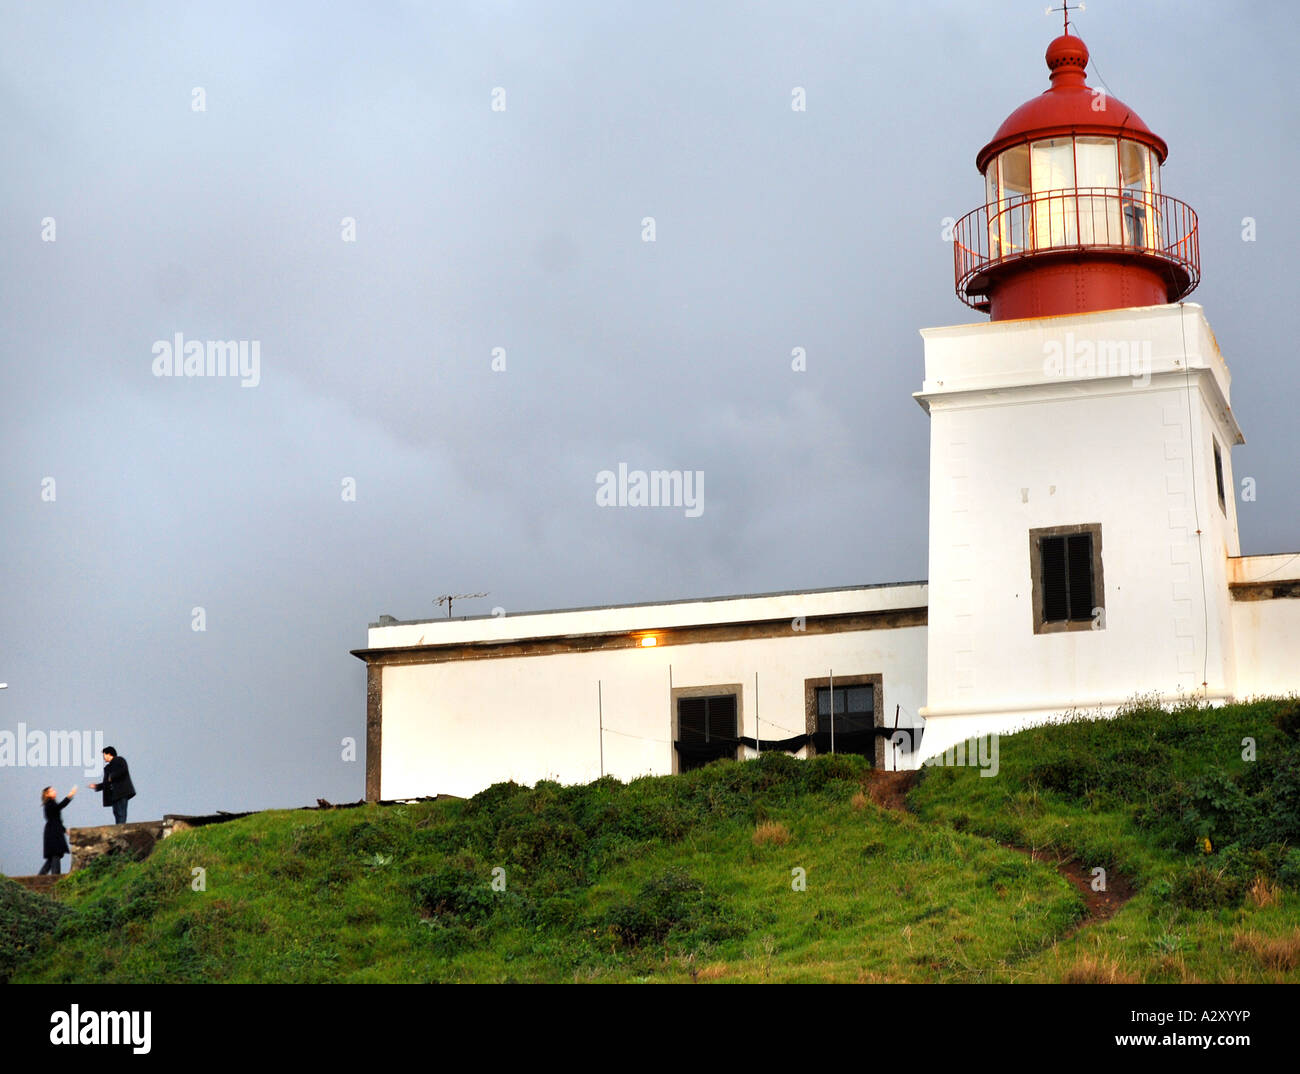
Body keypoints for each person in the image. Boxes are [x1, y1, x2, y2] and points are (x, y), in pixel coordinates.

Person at [89, 746, 136, 825]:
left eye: (104, 754)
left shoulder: (119, 760)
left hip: (122, 792)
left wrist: (112, 776)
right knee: (116, 813)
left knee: (121, 813)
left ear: (109, 754)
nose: (103, 757)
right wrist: (97, 786)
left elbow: (123, 770)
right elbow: (107, 782)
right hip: (114, 795)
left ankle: (121, 828)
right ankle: (118, 828)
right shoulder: (108, 767)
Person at [39, 785, 77, 875]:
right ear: (47, 794)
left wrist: (64, 830)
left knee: (53, 856)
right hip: (53, 832)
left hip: (53, 830)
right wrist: (69, 796)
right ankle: (55, 876)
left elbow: (55, 818)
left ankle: (41, 876)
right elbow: (59, 808)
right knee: (55, 854)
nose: (55, 791)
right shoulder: (49, 803)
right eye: (52, 791)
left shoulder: (50, 803)